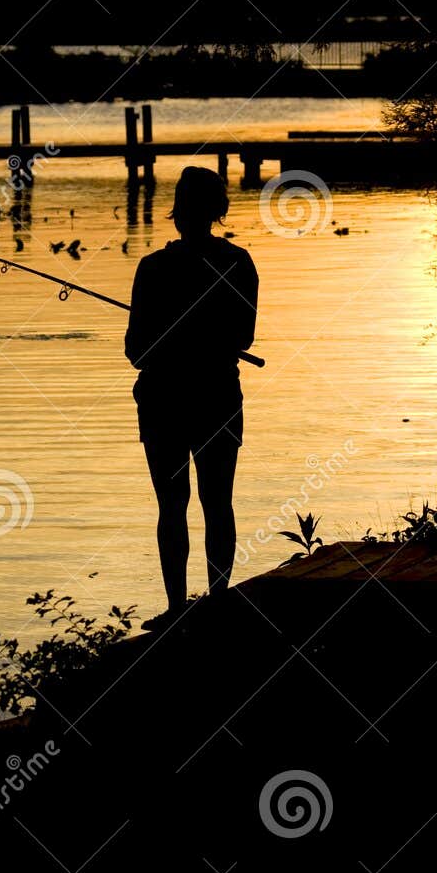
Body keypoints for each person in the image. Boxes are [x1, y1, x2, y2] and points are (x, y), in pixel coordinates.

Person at [125, 166, 258, 630]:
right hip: (217, 397)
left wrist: (171, 338)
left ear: (177, 213)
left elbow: (136, 352)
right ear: (218, 212)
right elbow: (244, 333)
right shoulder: (239, 263)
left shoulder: (154, 268)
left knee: (173, 505)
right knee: (218, 502)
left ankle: (177, 608)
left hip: (164, 400)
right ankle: (217, 604)